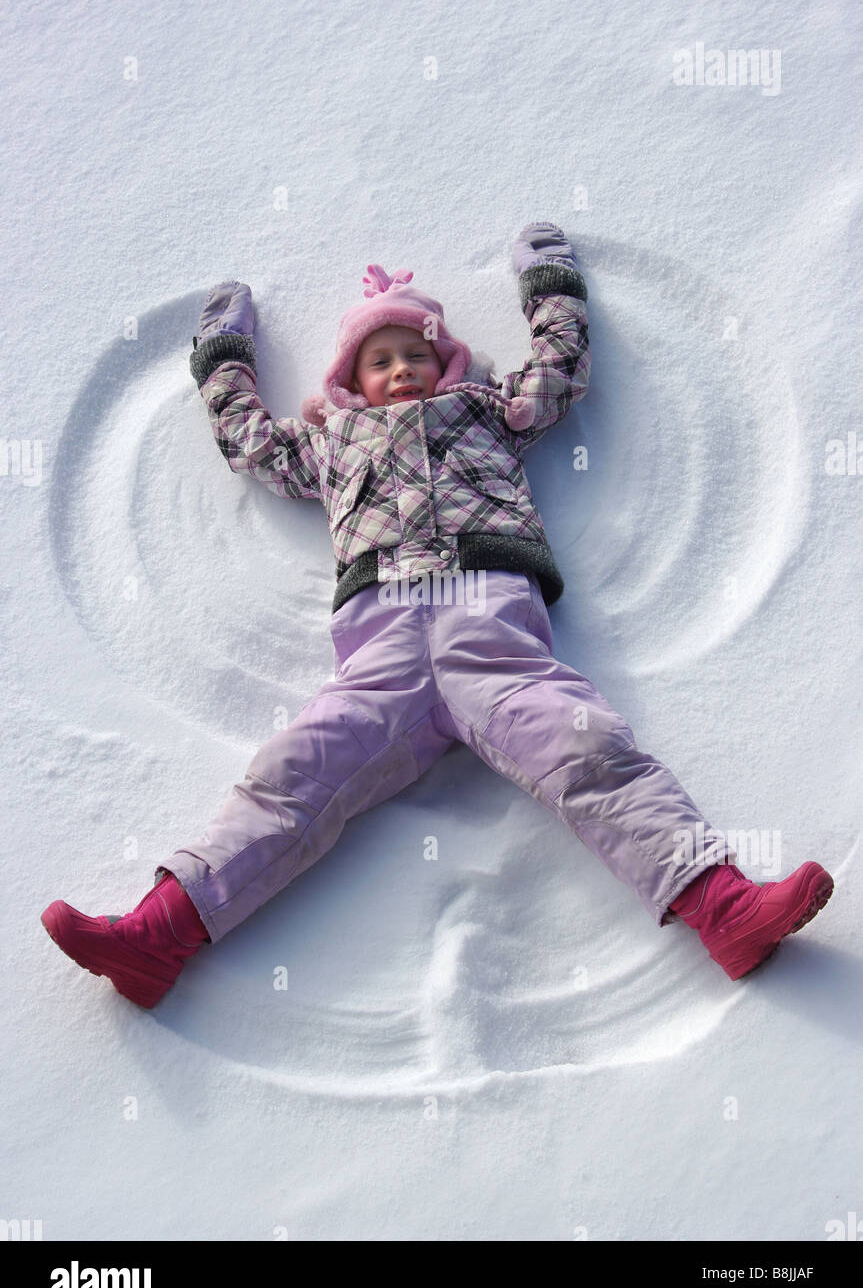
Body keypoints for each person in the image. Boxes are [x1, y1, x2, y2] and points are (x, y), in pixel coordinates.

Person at [40, 225, 834, 1008]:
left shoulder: (486, 412)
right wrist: (223, 356)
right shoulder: (328, 442)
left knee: (586, 750)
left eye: (416, 354)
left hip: (485, 627)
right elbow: (248, 442)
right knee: (292, 775)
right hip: (381, 645)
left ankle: (725, 910)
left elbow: (556, 375)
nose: (400, 372)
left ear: (446, 360)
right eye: (378, 361)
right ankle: (158, 935)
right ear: (351, 377)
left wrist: (549, 285)